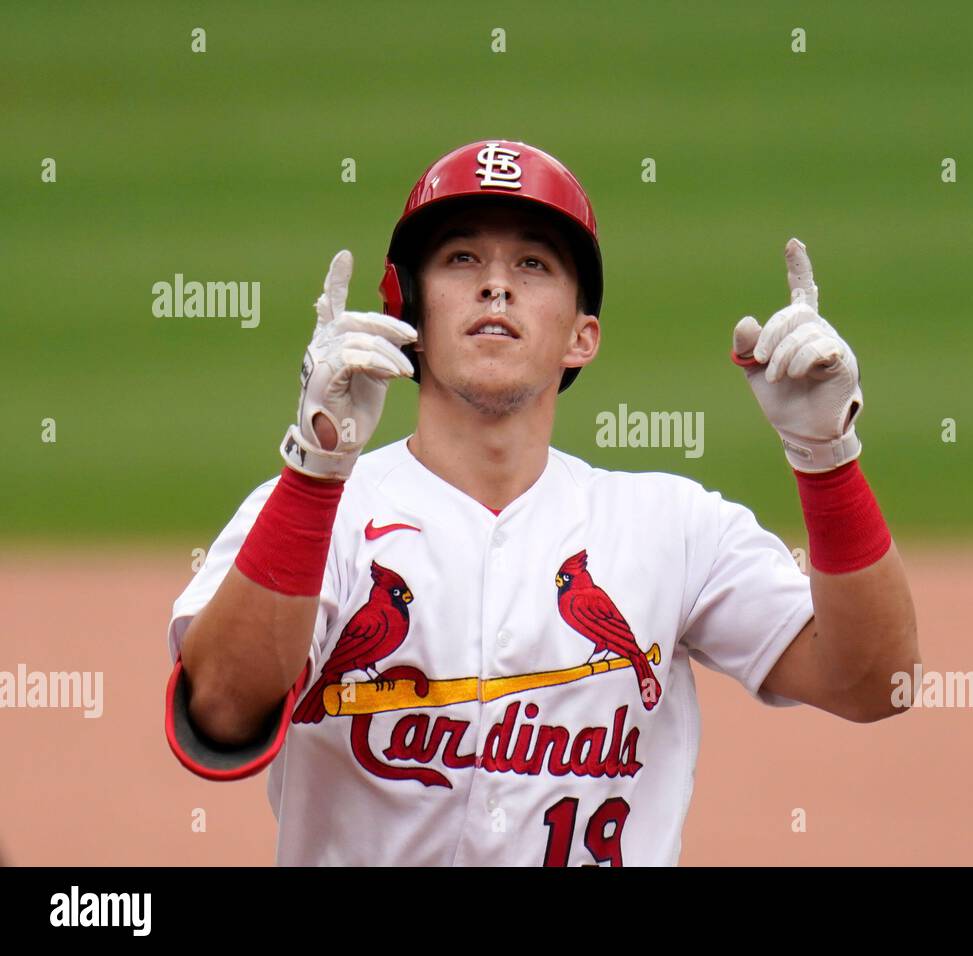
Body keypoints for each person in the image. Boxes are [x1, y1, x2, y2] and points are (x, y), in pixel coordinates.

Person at [164, 139, 920, 866]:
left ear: (582, 337)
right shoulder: (314, 515)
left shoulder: (672, 526)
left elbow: (875, 683)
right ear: (412, 322)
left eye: (533, 263)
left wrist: (826, 459)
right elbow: (224, 708)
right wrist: (318, 470)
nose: (497, 284)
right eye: (462, 259)